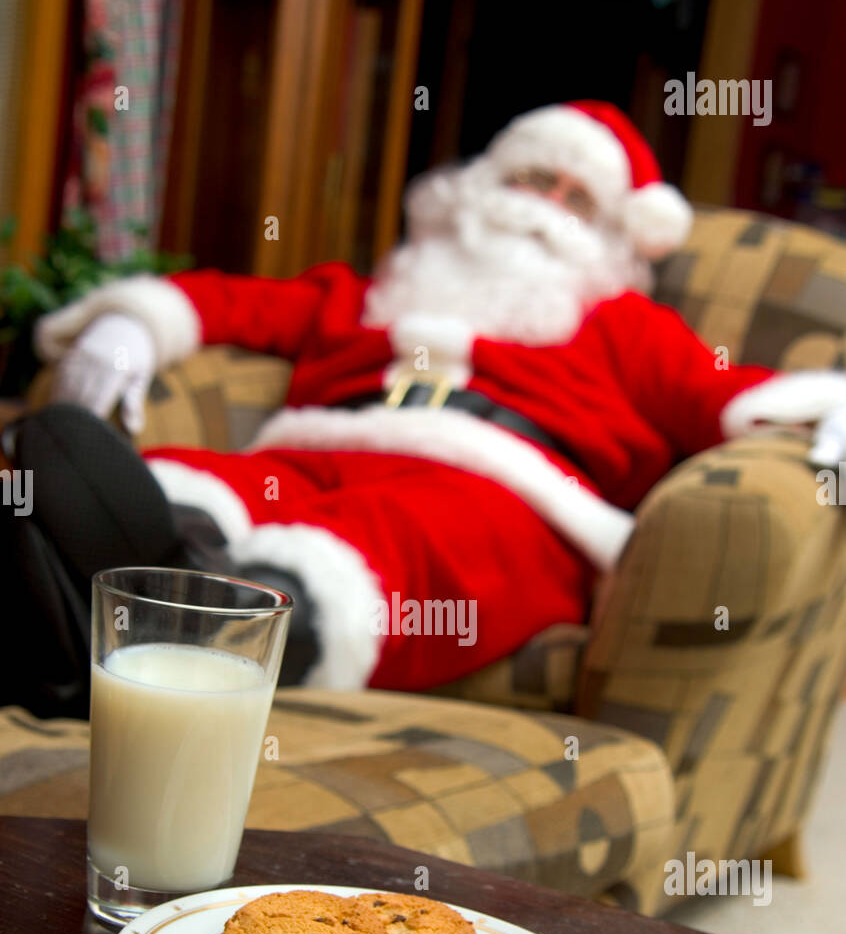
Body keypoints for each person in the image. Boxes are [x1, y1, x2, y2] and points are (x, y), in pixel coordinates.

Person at [8, 100, 846, 715]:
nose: (541, 205)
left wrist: (823, 403)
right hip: (306, 457)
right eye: (527, 177)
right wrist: (133, 324)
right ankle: (138, 610)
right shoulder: (376, 292)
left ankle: (136, 625)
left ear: (616, 239)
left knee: (400, 545)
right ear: (478, 188)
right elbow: (239, 304)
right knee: (170, 472)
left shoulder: (623, 322)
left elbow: (722, 395)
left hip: (502, 494)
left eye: (574, 196)